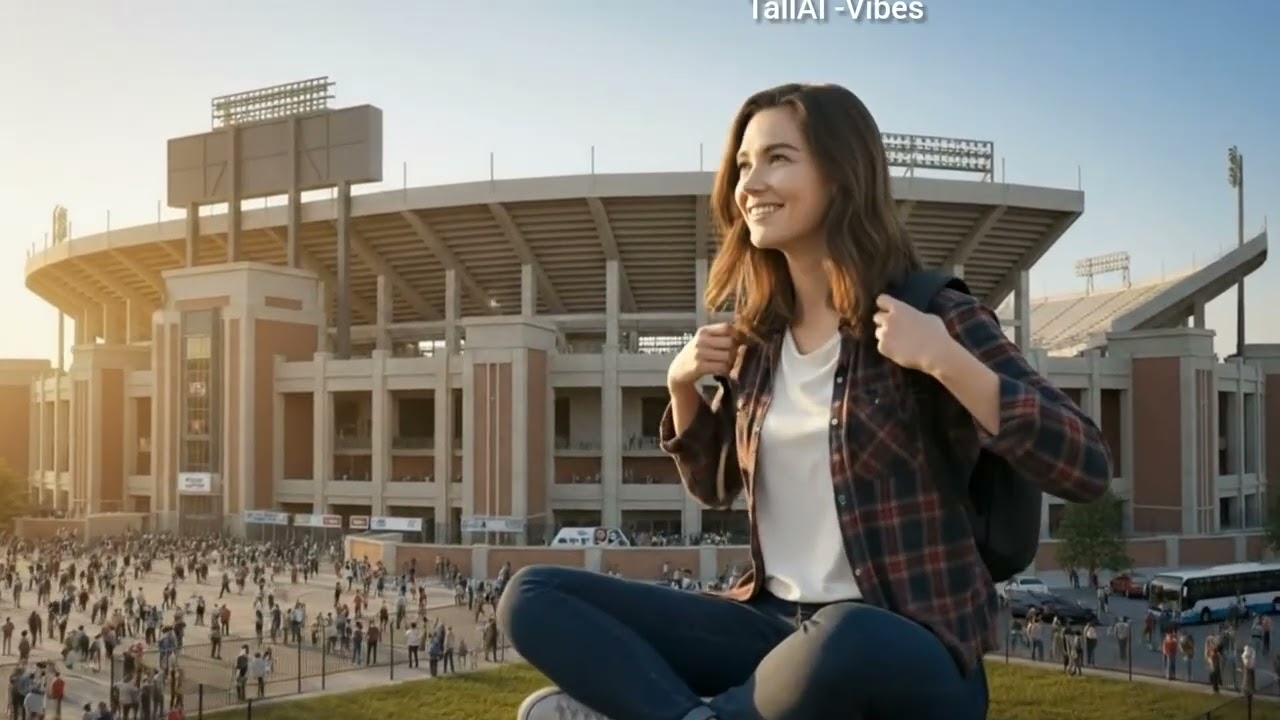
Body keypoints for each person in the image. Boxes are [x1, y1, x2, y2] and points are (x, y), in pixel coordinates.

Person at [498, 82, 1112, 720]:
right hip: (772, 631)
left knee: (845, 632)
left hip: (905, 644)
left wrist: (945, 360)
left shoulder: (931, 315)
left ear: (842, 175)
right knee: (533, 595)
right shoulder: (760, 342)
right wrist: (681, 388)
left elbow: (1087, 466)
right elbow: (715, 489)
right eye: (744, 165)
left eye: (778, 159)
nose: (751, 183)